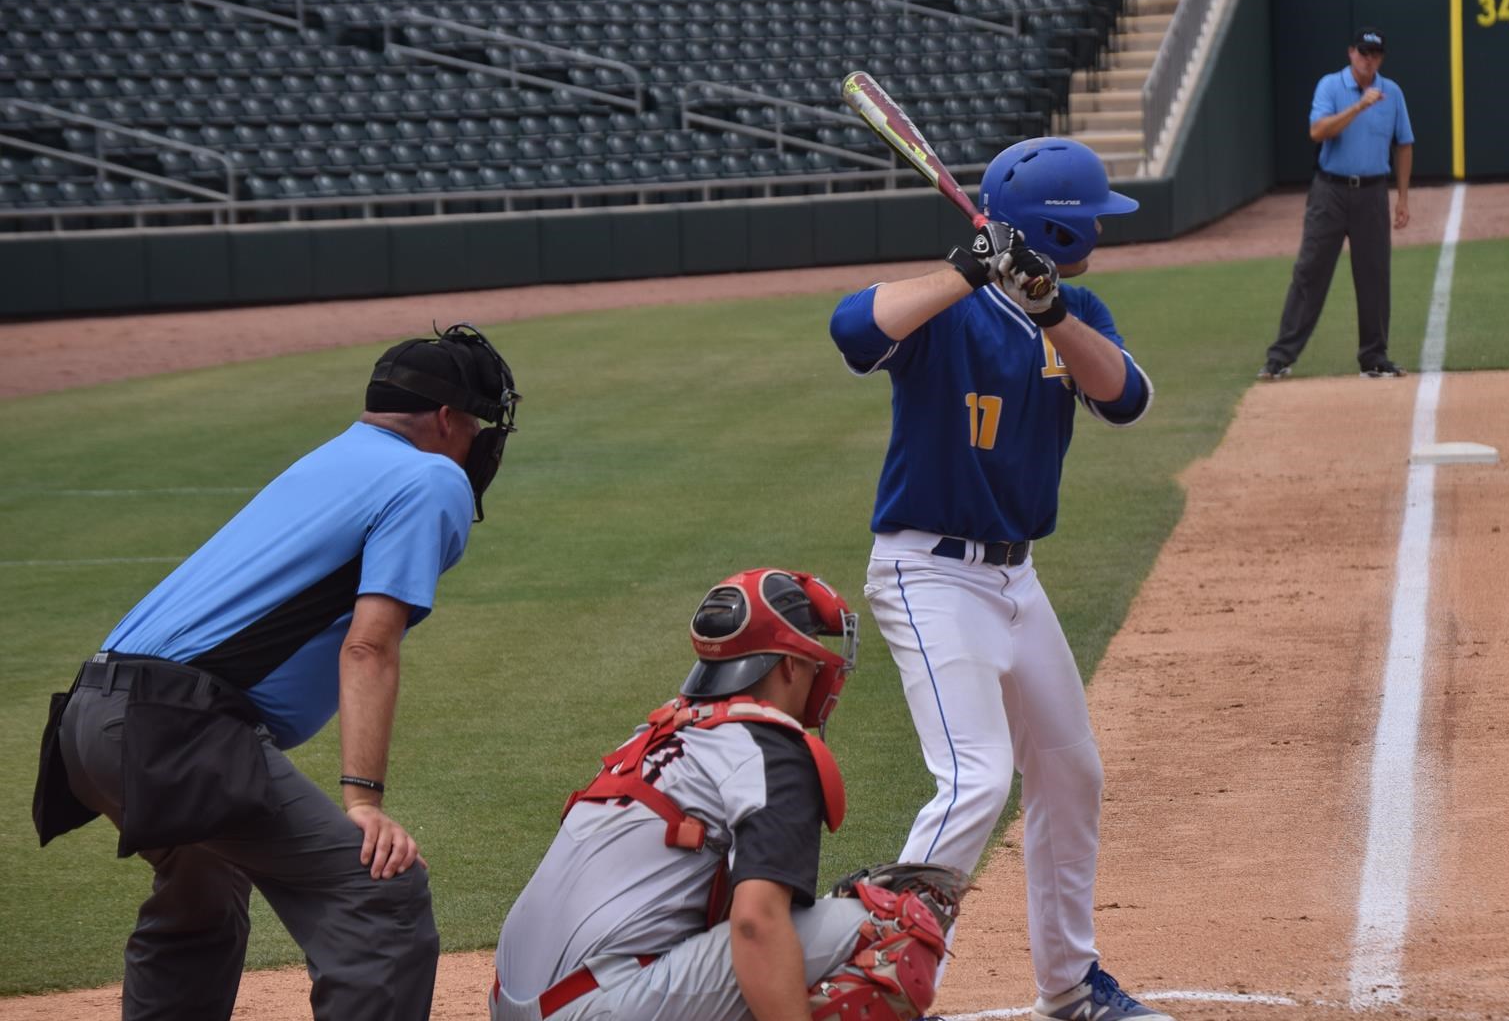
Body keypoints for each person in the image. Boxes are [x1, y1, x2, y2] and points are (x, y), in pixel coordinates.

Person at [31, 323, 521, 1021]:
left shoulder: (339, 456)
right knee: (379, 892)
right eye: (475, 422)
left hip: (89, 716)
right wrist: (364, 803)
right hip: (174, 729)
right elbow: (369, 646)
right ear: (447, 420)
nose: (477, 439)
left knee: (201, 896)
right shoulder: (430, 474)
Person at [828, 136, 1173, 1021]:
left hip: (1017, 584)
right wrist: (966, 271)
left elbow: (1126, 398)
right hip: (926, 574)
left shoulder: (1078, 306)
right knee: (976, 777)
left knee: (1069, 774)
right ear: (1055, 225)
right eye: (1090, 216)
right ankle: (873, 989)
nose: (1102, 228)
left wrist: (1052, 307)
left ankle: (1068, 987)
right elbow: (853, 330)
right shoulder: (948, 311)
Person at [490, 568, 965, 1021]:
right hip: (602, 1005)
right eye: (815, 656)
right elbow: (756, 924)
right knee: (894, 923)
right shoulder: (770, 749)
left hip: (516, 1003)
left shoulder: (657, 734)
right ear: (789, 666)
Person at [1259, 26, 1415, 381]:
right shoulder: (1330, 86)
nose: (1368, 59)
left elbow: (1404, 144)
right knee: (1310, 271)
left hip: (1373, 192)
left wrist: (1403, 198)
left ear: (1381, 58)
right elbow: (1318, 131)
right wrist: (1359, 106)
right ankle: (1280, 357)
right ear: (1351, 53)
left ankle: (1374, 357)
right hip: (1330, 191)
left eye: (1374, 54)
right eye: (1363, 53)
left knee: (1374, 275)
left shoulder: (1392, 93)